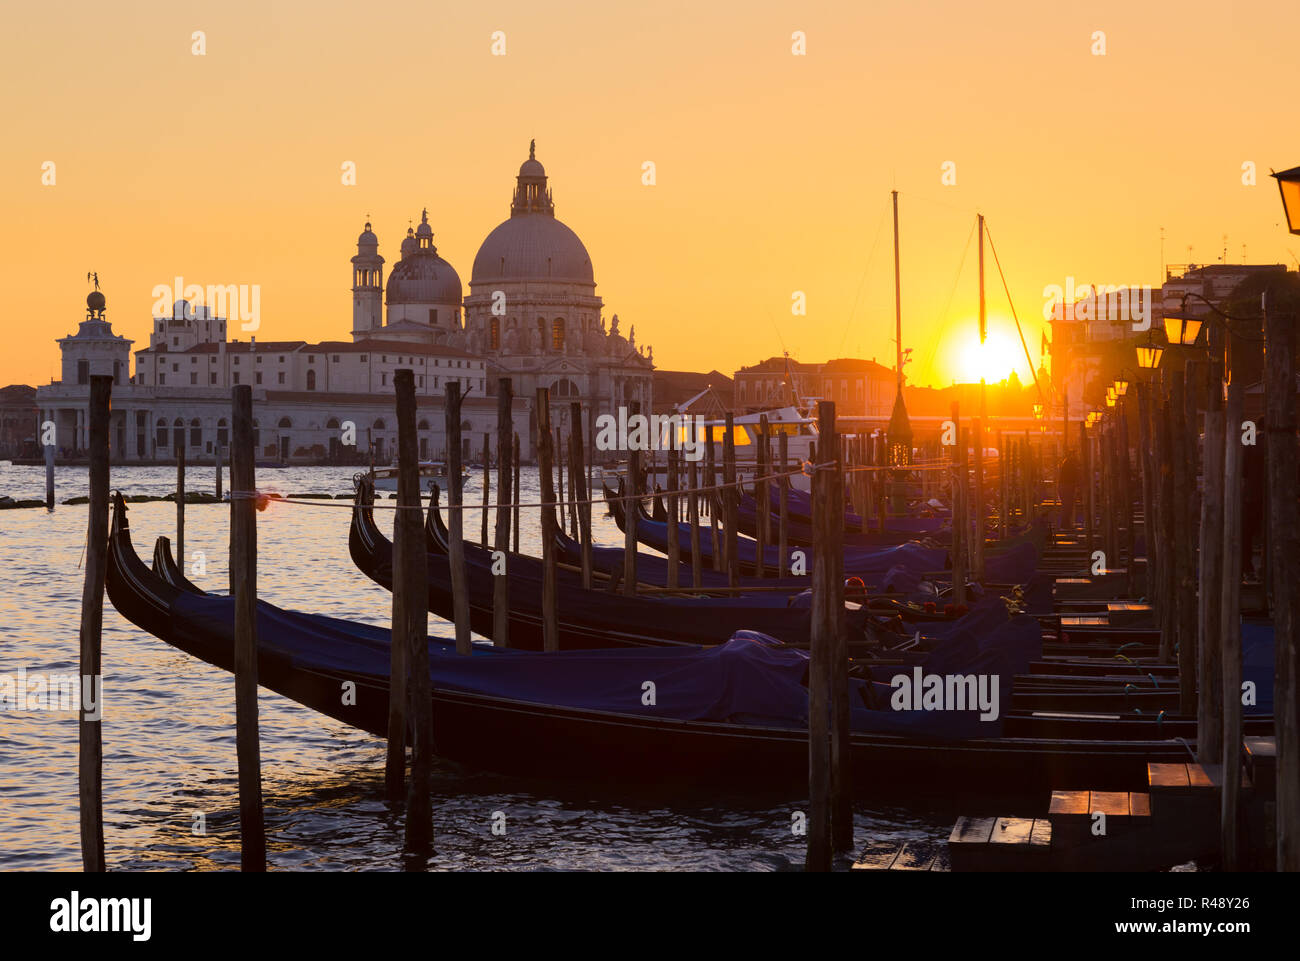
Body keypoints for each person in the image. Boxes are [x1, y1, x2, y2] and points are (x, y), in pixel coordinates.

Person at [1057, 450, 1082, 532]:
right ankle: (1065, 524)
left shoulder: (1067, 462)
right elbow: (1076, 475)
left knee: (1067, 506)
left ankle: (1066, 524)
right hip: (1067, 487)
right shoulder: (1070, 463)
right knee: (1067, 506)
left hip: (1064, 486)